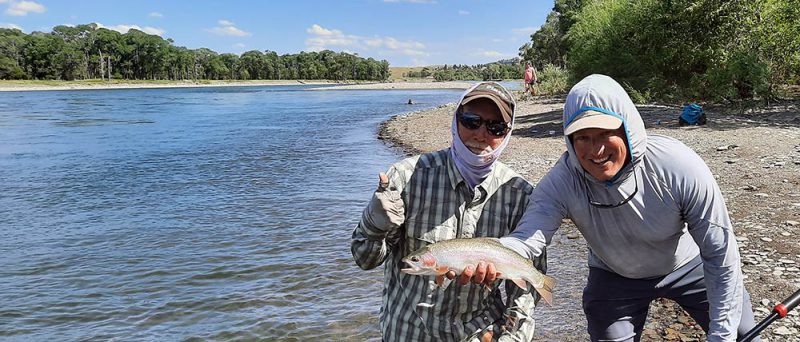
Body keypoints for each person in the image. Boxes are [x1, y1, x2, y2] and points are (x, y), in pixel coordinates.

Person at [499, 74, 759, 342]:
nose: (596, 149)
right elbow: (527, 239)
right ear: (570, 140)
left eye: (606, 133)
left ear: (627, 128)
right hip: (615, 274)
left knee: (741, 334)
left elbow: (720, 252)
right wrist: (488, 257)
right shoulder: (562, 181)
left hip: (688, 265)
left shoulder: (677, 166)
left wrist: (722, 335)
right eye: (583, 137)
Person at [351, 82, 547, 341]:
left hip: (479, 334)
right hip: (407, 333)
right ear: (455, 121)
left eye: (495, 127)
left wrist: (513, 337)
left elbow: (526, 288)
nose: (481, 135)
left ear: (507, 133)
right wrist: (373, 225)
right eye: (471, 121)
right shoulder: (406, 177)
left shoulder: (521, 195)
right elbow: (365, 260)